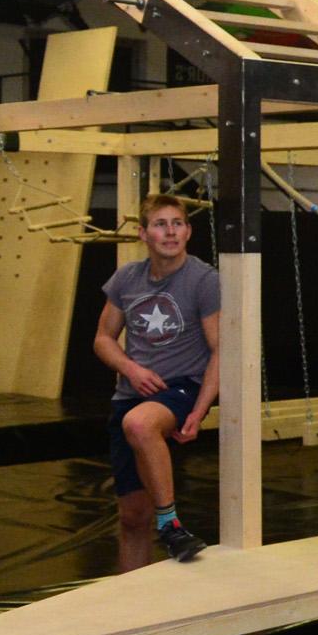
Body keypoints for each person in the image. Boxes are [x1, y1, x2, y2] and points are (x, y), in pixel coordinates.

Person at [95, 193, 220, 569]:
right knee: (132, 517)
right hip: (131, 392)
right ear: (143, 233)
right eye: (160, 225)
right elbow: (102, 338)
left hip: (181, 386)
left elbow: (221, 351)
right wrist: (131, 369)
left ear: (188, 231)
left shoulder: (204, 280)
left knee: (141, 423)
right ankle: (131, 607)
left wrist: (200, 409)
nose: (170, 232)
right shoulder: (126, 279)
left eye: (177, 224)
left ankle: (171, 525)